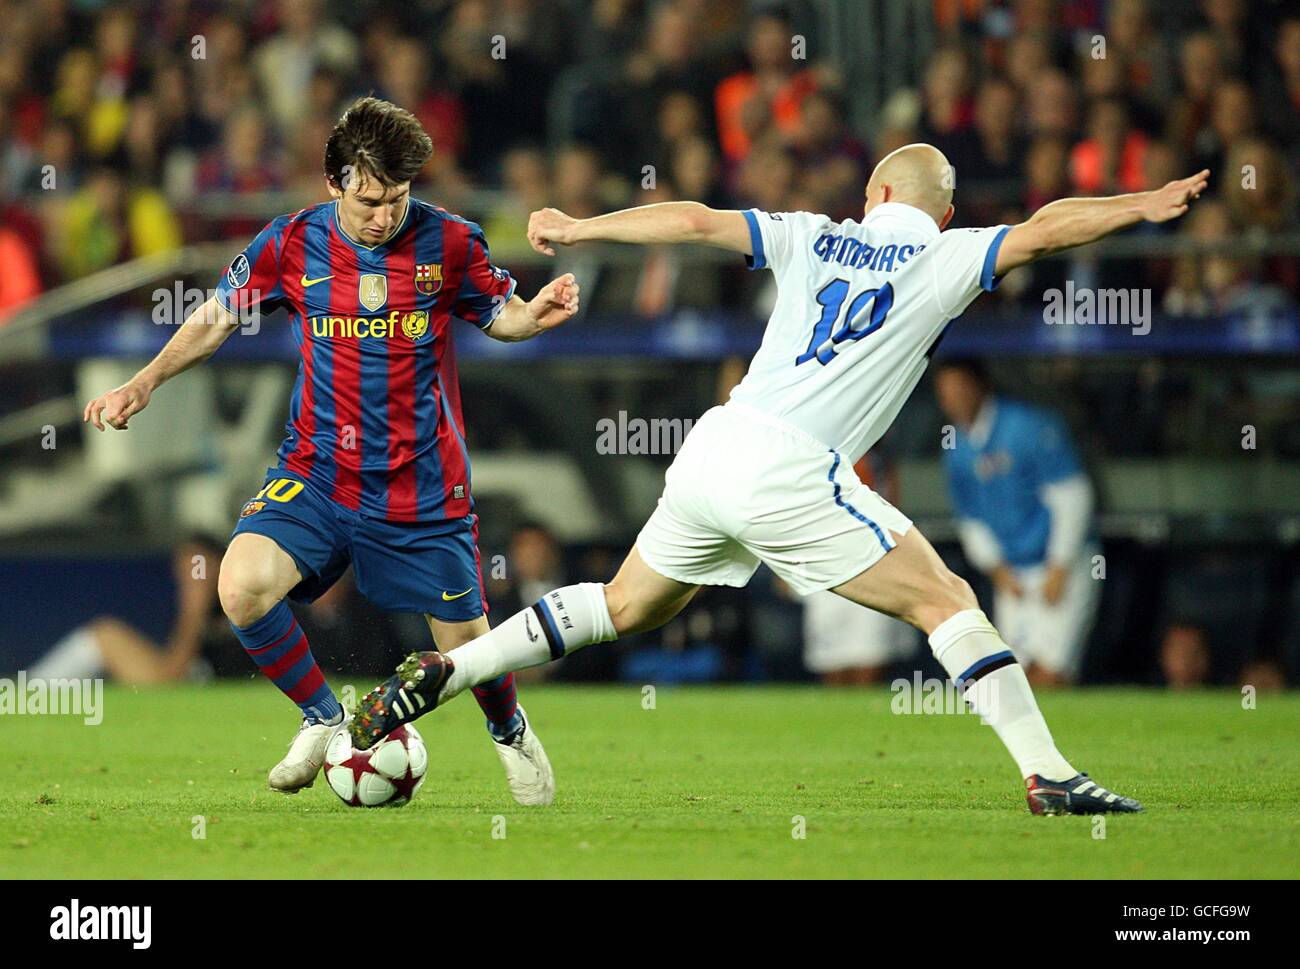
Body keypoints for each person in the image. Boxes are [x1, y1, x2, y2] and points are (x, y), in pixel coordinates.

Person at [351, 143, 1210, 816]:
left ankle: (449, 668)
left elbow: (694, 220)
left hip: (716, 445)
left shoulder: (810, 232)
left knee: (624, 604)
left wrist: (581, 228)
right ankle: (1049, 773)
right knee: (946, 598)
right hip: (792, 469)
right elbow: (1049, 227)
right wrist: (1139, 204)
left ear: (873, 195)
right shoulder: (950, 256)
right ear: (944, 212)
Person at [82, 98, 581, 804]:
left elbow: (502, 316)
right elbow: (217, 317)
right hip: (317, 472)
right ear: (333, 183)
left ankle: (511, 730)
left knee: (468, 647)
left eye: (398, 198)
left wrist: (535, 316)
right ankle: (323, 717)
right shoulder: (291, 243)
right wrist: (144, 381)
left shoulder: (450, 241)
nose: (385, 215)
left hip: (419, 481)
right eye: (370, 200)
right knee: (240, 586)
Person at [934, 359, 1100, 686]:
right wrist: (996, 569)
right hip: (1012, 574)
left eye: (960, 388)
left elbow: (1073, 495)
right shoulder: (955, 448)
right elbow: (970, 519)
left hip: (1060, 565)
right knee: (1013, 676)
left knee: (1051, 673)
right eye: (945, 393)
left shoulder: (1028, 426)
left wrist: (1059, 565)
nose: (954, 399)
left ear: (980, 386)